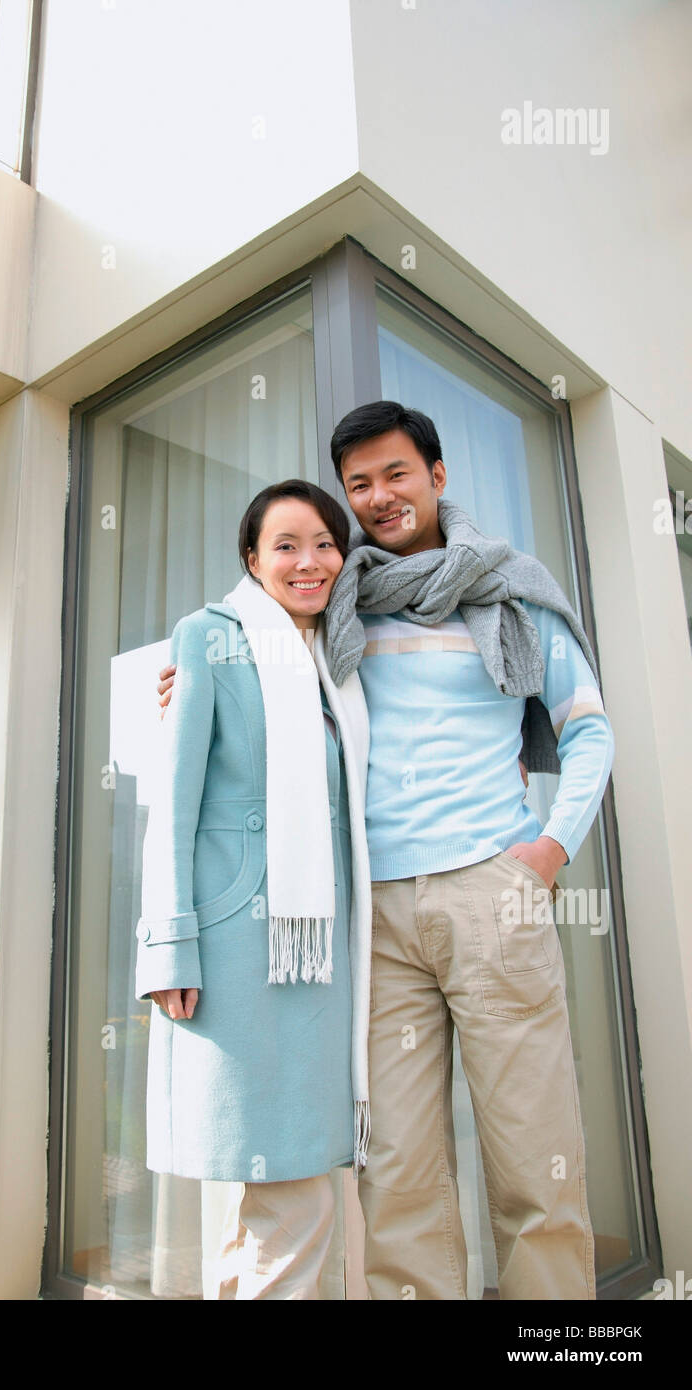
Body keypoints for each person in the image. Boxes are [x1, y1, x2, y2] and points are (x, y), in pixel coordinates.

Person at [159, 403, 615, 1301]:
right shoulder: (336, 605)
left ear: (437, 476)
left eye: (396, 474)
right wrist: (182, 678)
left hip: (493, 888)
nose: (378, 497)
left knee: (535, 1149)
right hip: (371, 912)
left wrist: (548, 851)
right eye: (358, 483)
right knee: (397, 1166)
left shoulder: (512, 595)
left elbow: (588, 731)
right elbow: (251, 668)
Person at [134, 478, 373, 1301]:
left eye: (325, 544)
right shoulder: (208, 638)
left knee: (270, 1185)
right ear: (252, 558)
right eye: (286, 545)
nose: (309, 562)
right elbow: (174, 799)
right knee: (293, 1182)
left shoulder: (341, 658)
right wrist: (168, 942)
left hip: (325, 946)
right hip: (241, 944)